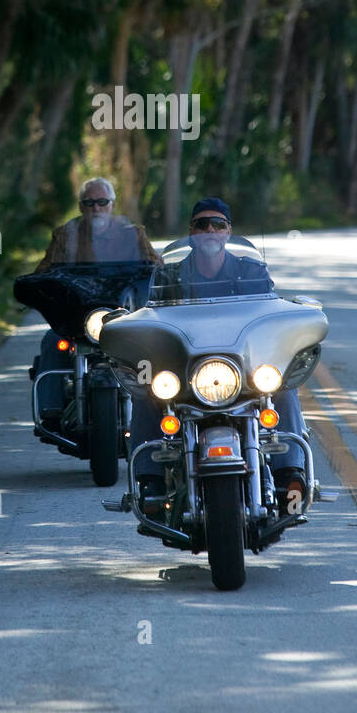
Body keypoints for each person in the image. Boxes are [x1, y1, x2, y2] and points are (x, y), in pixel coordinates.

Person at [131, 197, 310, 515]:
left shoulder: (251, 270)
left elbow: (269, 314)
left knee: (282, 386)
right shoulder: (169, 276)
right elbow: (152, 319)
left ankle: (290, 475)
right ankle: (150, 483)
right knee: (147, 390)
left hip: (240, 369)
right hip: (187, 371)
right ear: (191, 232)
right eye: (202, 224)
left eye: (218, 224)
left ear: (229, 231)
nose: (210, 230)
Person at [32, 178, 158, 431]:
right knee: (51, 341)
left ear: (112, 205)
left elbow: (157, 267)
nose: (96, 208)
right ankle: (51, 410)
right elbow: (44, 270)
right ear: (81, 206)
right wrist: (38, 287)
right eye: (89, 203)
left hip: (125, 315)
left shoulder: (132, 234)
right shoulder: (65, 235)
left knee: (156, 342)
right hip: (79, 318)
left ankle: (161, 405)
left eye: (102, 202)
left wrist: (163, 282)